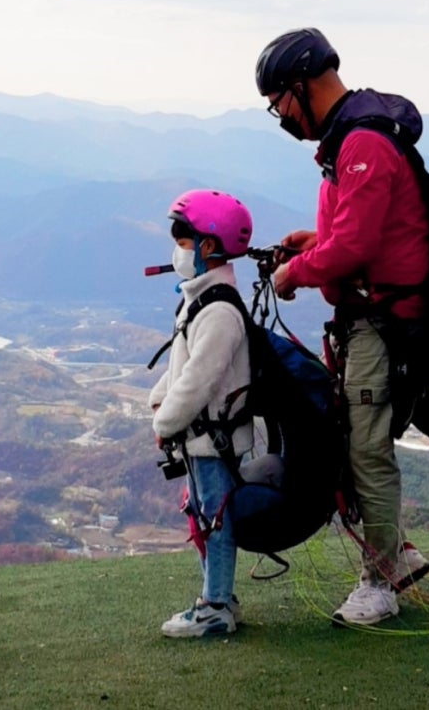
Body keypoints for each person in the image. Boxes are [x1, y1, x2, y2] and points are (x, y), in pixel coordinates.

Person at [255, 28, 429, 626]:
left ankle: (380, 581)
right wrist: (313, 244)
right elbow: (357, 235)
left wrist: (296, 273)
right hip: (367, 319)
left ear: (300, 86)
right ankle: (397, 554)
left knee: (365, 451)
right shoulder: (348, 142)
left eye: (279, 101)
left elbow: (355, 247)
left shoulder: (362, 145)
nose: (280, 115)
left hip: (381, 324)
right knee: (356, 445)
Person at [149, 188, 254, 638]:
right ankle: (216, 596)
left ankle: (216, 606)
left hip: (214, 441)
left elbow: (200, 378)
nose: (176, 245)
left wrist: (164, 420)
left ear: (209, 246)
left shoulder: (219, 311)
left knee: (215, 518)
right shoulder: (201, 300)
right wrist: (162, 403)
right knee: (203, 514)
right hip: (202, 437)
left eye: (182, 235)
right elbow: (181, 363)